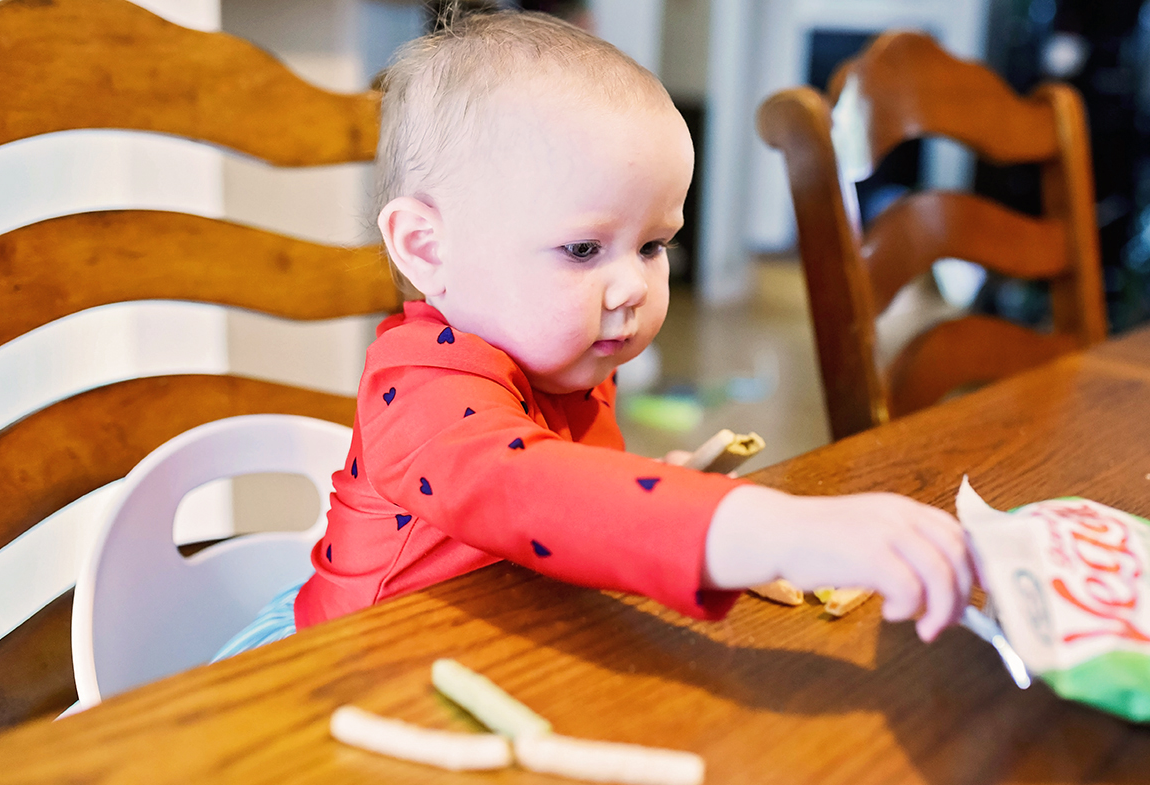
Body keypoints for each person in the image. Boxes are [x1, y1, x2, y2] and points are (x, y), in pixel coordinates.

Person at [214, 9, 974, 662]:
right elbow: (532, 492)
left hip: (470, 647)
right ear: (426, 249)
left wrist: (658, 489)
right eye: (583, 249)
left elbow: (568, 501)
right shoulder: (421, 390)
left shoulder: (569, 356)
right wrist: (777, 529)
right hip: (328, 661)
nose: (633, 286)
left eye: (653, 245)